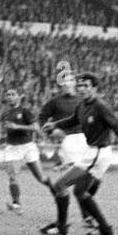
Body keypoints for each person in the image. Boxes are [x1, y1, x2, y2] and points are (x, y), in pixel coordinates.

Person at [41, 73, 118, 235]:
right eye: (80, 86)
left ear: (94, 88)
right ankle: (104, 228)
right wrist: (54, 124)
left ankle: (62, 226)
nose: (81, 89)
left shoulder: (100, 106)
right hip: (92, 152)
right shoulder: (82, 106)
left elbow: (115, 124)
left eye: (86, 86)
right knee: (79, 192)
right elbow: (72, 120)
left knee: (60, 185)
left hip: (99, 153)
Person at [37, 68, 97, 226]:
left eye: (71, 81)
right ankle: (85, 215)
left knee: (89, 177)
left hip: (85, 140)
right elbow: (42, 117)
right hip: (68, 140)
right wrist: (52, 131)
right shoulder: (55, 102)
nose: (68, 84)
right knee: (79, 175)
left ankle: (84, 213)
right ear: (61, 85)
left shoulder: (82, 99)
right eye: (65, 82)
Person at [0, 88, 48, 213]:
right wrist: (3, 135)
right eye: (8, 94)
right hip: (12, 148)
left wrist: (17, 127)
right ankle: (16, 203)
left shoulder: (25, 111)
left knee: (41, 178)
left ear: (18, 97)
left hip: (27, 146)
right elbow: (6, 129)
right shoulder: (5, 114)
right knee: (12, 176)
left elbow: (36, 128)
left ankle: (56, 190)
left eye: (12, 94)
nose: (10, 96)